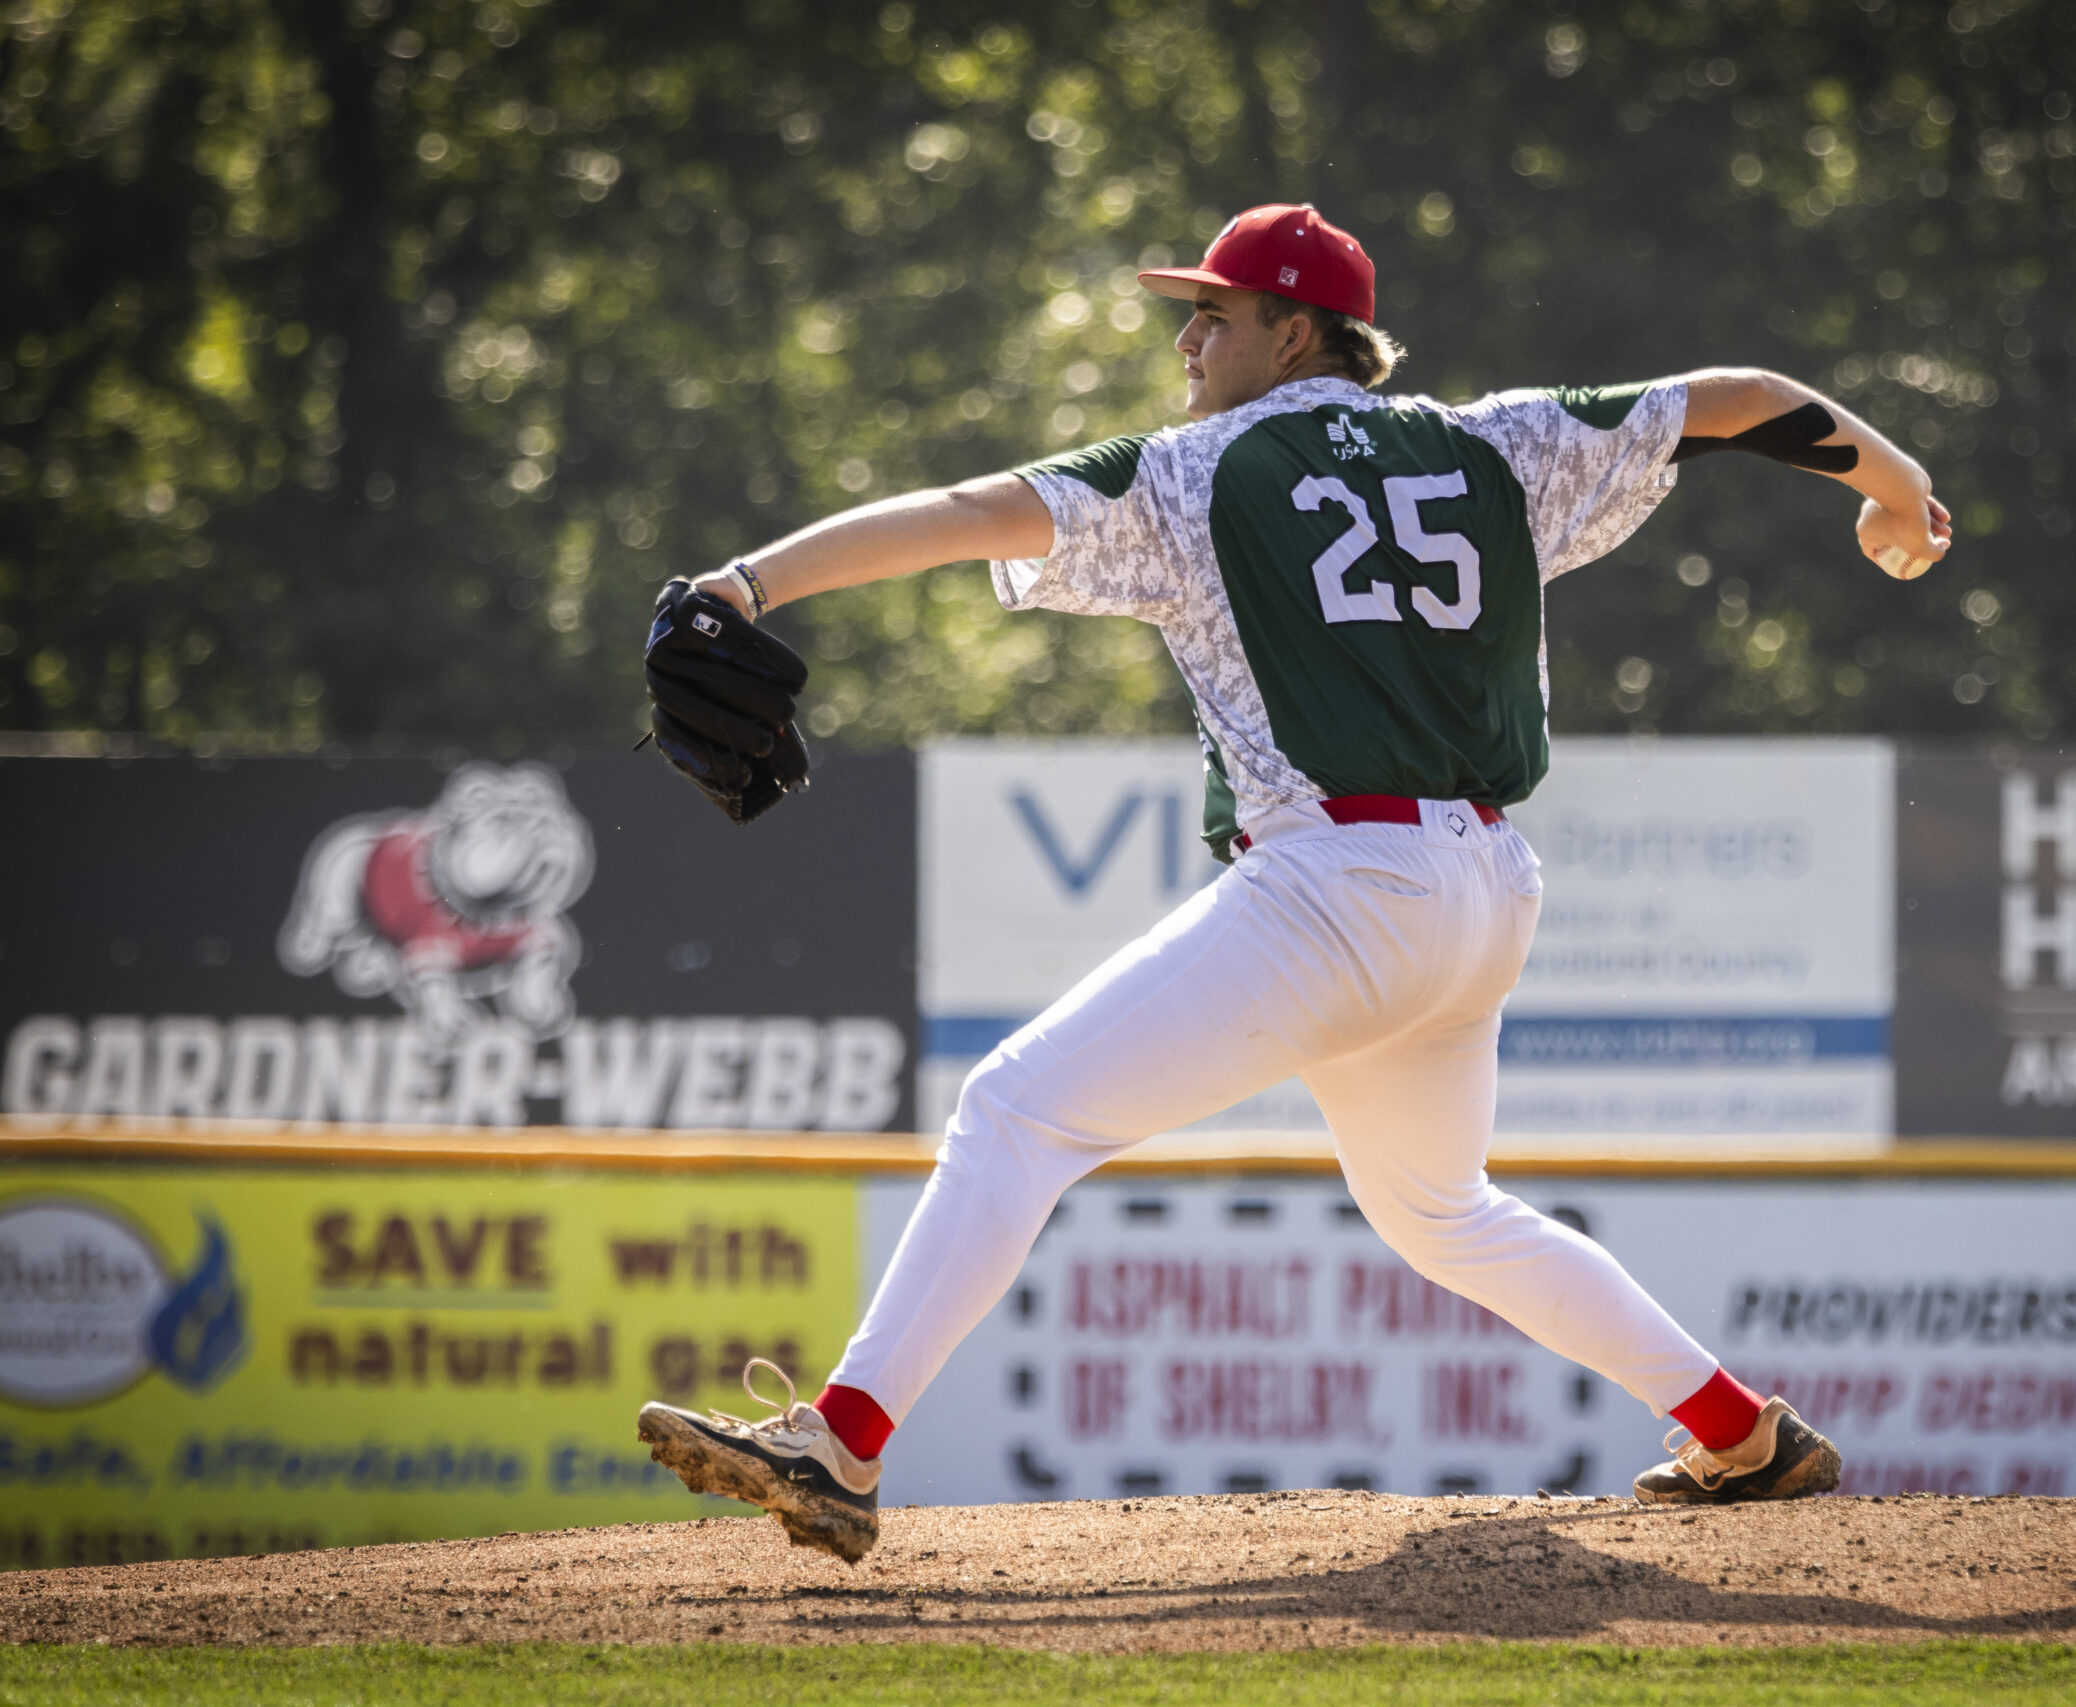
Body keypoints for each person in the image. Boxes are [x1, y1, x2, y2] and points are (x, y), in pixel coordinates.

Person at [636, 203, 1951, 1565]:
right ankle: (1743, 1434)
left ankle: (841, 1447)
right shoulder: (1499, 441)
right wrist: (1894, 483)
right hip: (1487, 889)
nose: (1192, 337)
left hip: (1341, 883)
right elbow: (1738, 398)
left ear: (1299, 329)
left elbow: (967, 516)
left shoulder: (1195, 471)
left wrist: (746, 583)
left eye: (1218, 310)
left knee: (1017, 1108)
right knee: (1439, 1210)